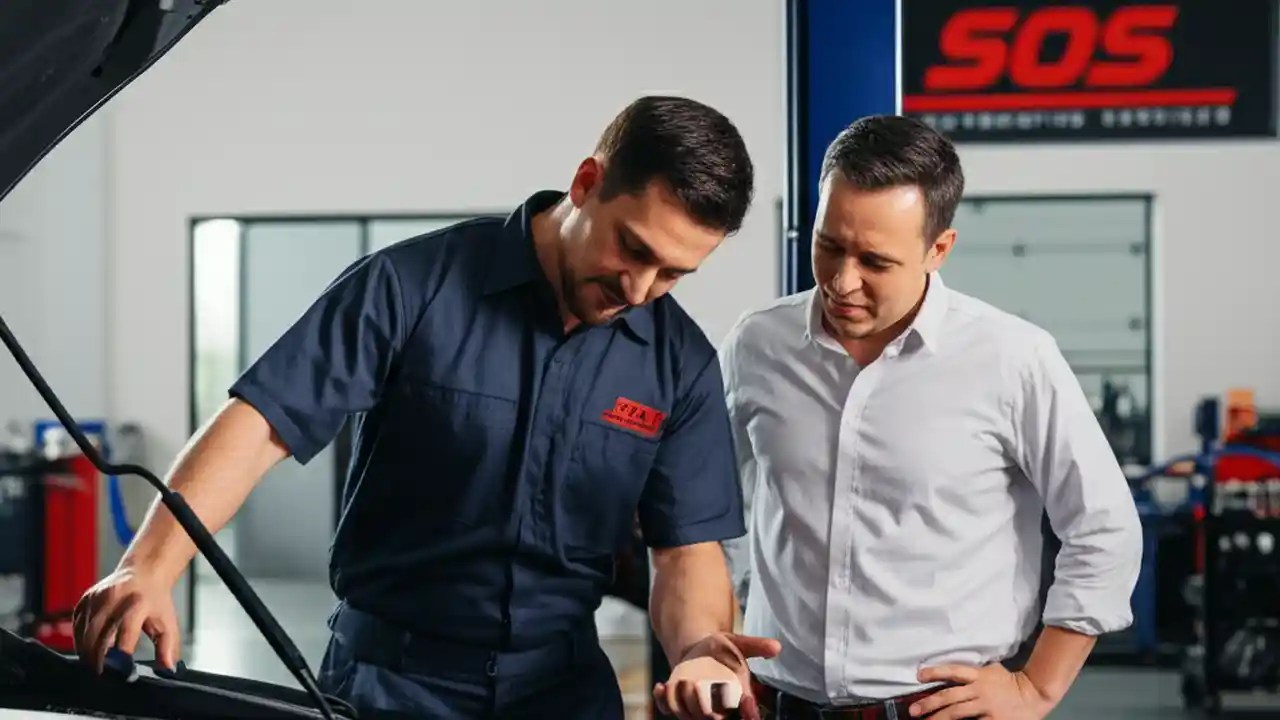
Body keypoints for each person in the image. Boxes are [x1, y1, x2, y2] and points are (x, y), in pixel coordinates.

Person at [71, 95, 781, 719]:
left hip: (561, 688)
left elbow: (686, 547)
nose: (640, 287)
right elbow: (260, 425)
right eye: (633, 248)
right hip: (390, 682)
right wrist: (151, 566)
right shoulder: (411, 287)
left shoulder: (677, 361)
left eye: (675, 275)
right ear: (587, 183)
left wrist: (697, 652)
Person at [720, 115, 1144, 720]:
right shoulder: (755, 345)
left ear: (938, 249)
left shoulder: (1011, 357)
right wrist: (731, 621)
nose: (842, 281)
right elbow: (717, 511)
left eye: (874, 261)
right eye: (829, 245)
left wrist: (1036, 688)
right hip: (776, 704)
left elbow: (1105, 529)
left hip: (940, 712)